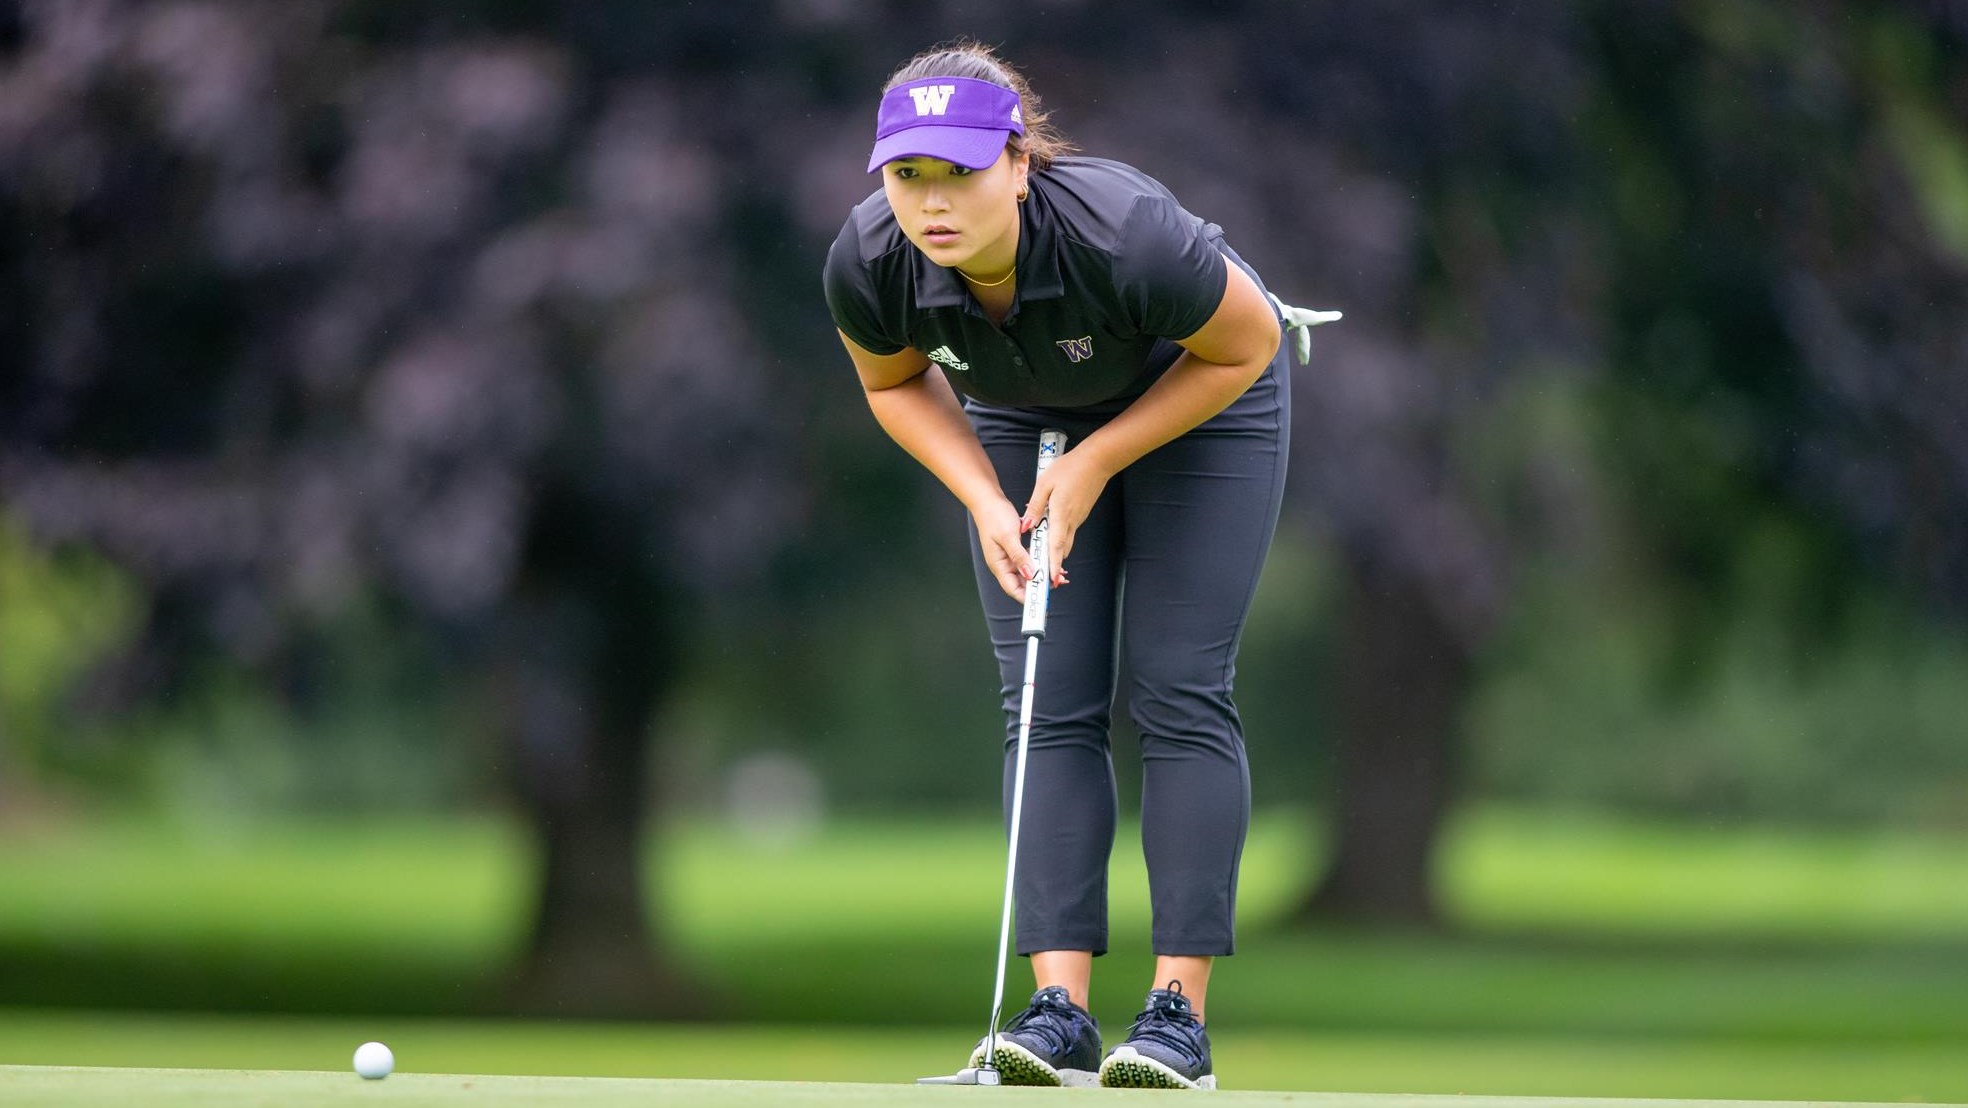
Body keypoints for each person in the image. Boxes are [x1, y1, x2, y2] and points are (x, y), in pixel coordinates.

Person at [823, 41, 1305, 1091]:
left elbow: (1248, 342)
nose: (932, 201)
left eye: (959, 171)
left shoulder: (1125, 233)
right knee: (1046, 701)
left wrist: (1097, 459)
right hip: (1018, 418)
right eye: (909, 175)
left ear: (1019, 161)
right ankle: (1058, 1014)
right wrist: (987, 500)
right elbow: (895, 384)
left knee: (1178, 686)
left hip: (1203, 400)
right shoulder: (869, 263)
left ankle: (1177, 1016)